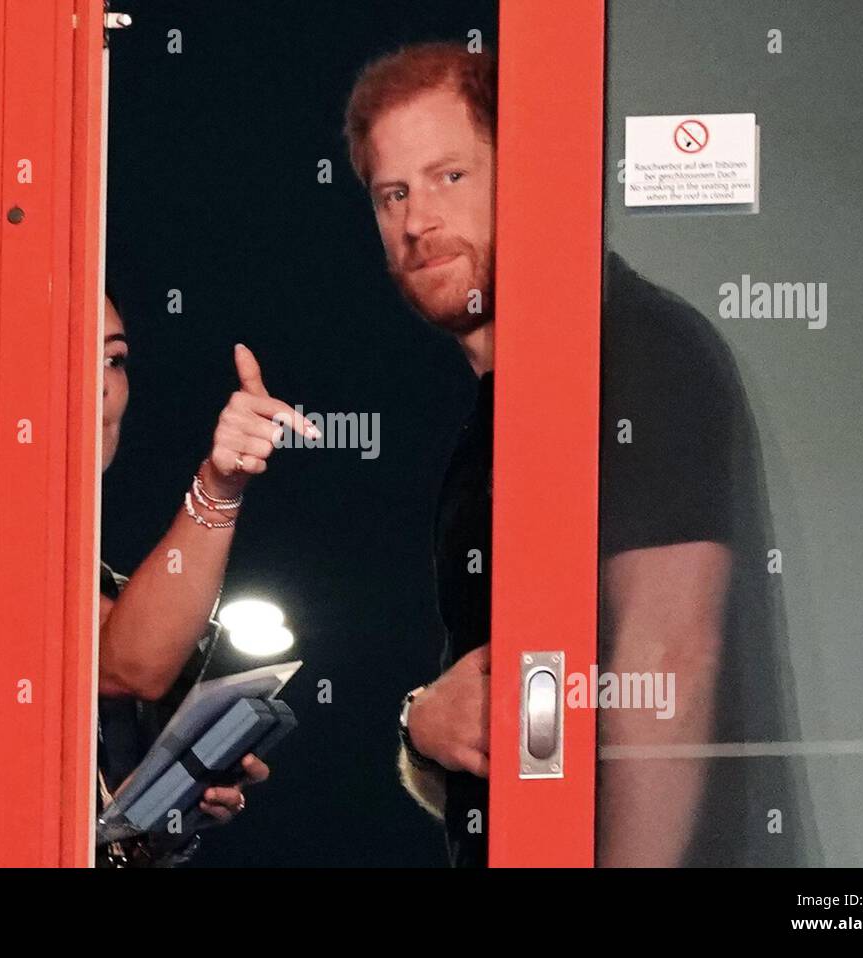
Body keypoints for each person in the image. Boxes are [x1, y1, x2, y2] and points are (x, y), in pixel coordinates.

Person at [343, 42, 817, 867]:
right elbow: (518, 739)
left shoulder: (632, 347)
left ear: (523, 168)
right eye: (394, 193)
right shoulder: (505, 413)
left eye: (450, 176)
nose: (418, 221)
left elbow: (669, 660)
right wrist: (420, 728)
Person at [94, 293, 317, 867]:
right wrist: (217, 487)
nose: (101, 386)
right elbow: (128, 665)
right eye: (72, 354)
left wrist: (171, 812)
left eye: (113, 360)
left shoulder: (104, 585)